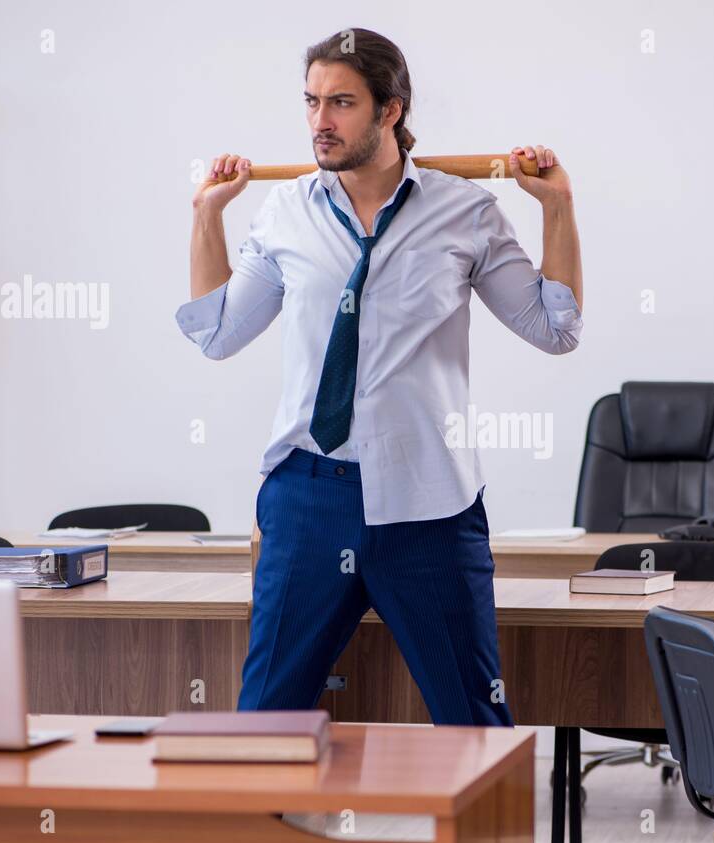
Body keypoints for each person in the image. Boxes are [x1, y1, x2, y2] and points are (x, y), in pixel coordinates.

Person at [176, 27, 583, 726]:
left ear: (391, 110)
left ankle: (491, 841)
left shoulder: (467, 212)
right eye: (311, 103)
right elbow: (216, 333)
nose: (319, 123)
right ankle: (264, 837)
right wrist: (206, 215)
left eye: (341, 103)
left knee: (473, 723)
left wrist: (557, 208)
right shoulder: (285, 213)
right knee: (264, 723)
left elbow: (555, 329)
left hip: (430, 505)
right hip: (308, 498)